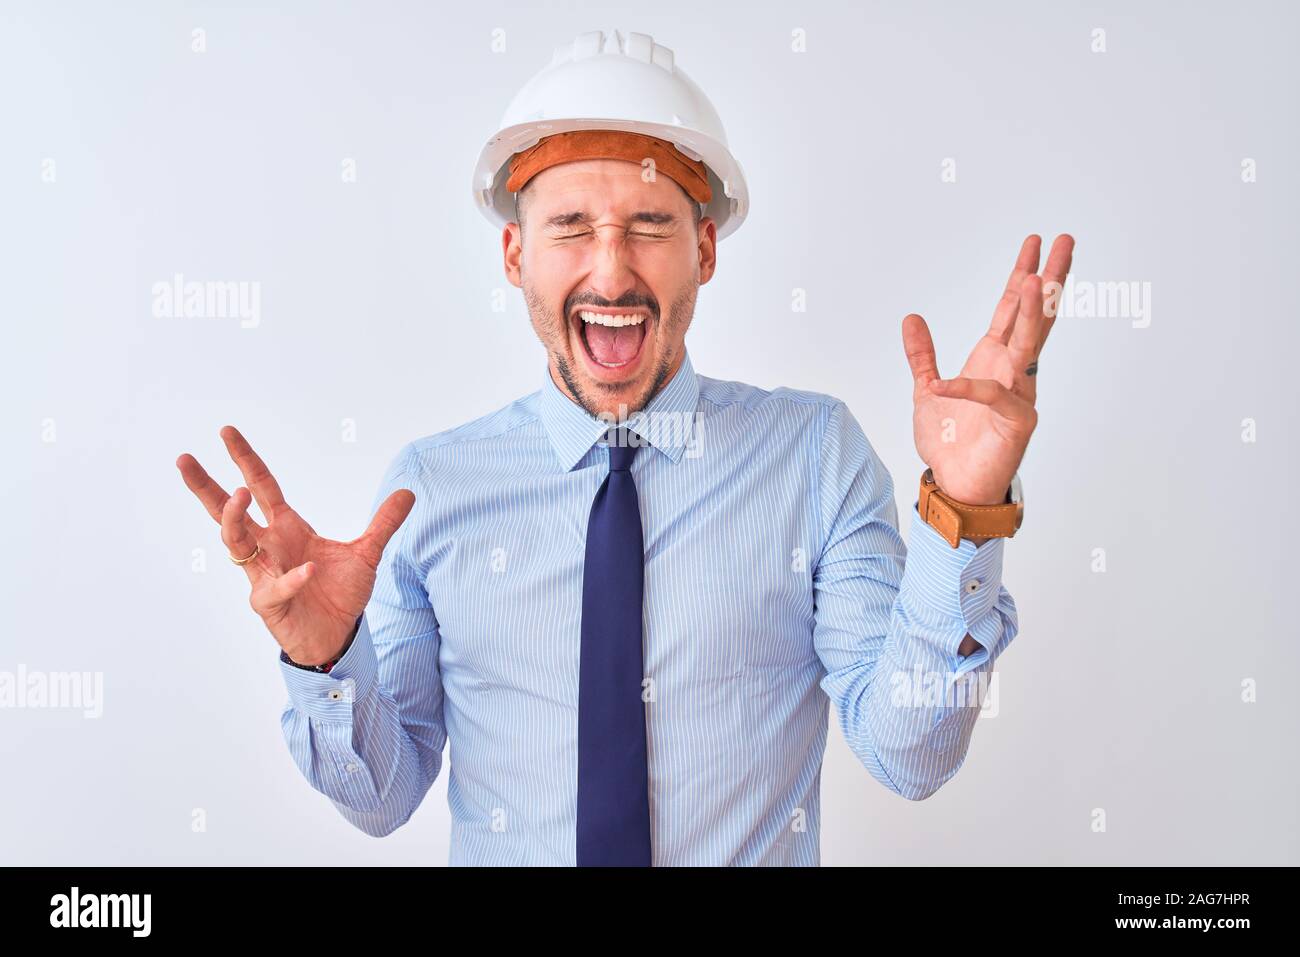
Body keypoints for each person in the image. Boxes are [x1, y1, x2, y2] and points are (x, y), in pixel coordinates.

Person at [176, 29, 1073, 866]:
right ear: (514, 254)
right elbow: (383, 796)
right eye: (570, 227)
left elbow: (909, 752)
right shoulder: (431, 489)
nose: (611, 270)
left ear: (706, 249)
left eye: (650, 224)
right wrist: (323, 662)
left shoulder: (814, 456)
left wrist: (964, 515)